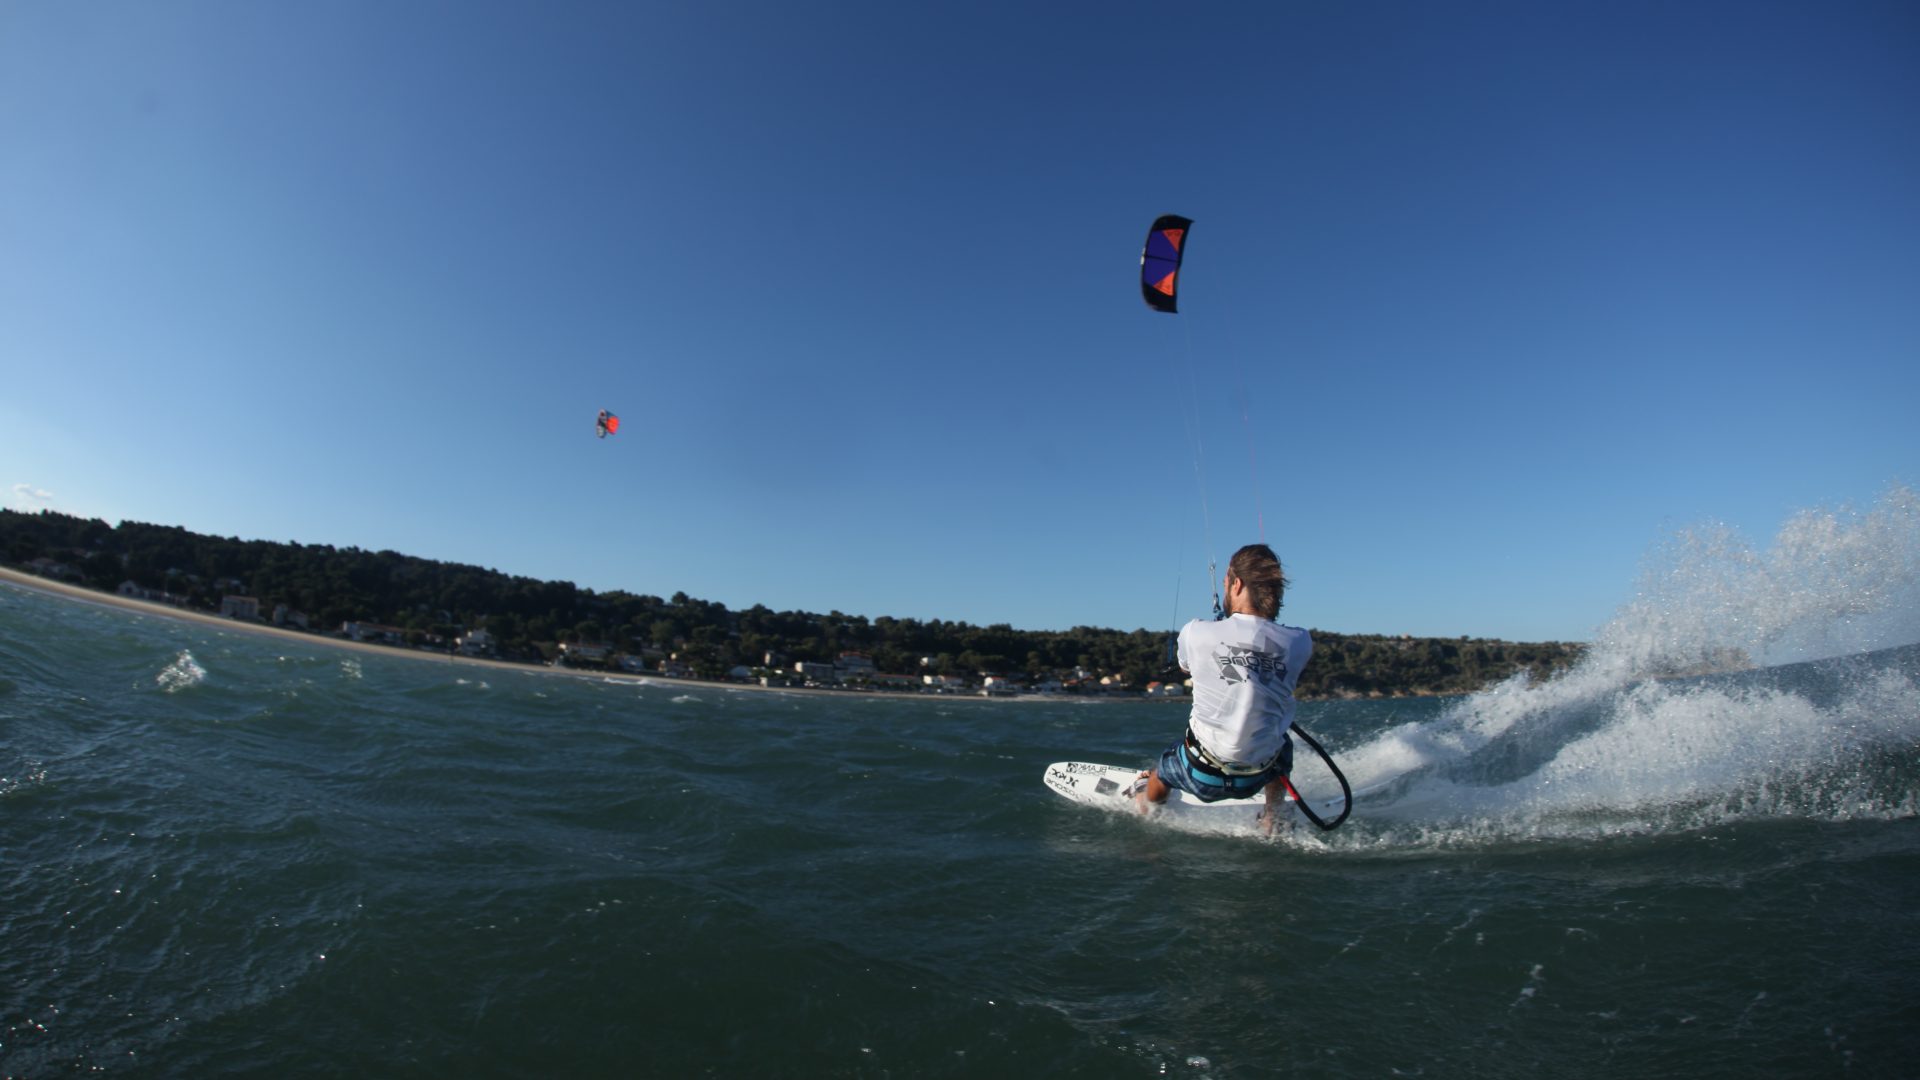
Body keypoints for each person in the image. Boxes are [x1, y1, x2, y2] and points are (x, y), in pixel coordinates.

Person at [1134, 543, 1312, 832]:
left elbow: (1185, 667)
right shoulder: (1300, 641)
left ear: (1237, 584)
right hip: (1256, 776)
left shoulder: (1196, 632)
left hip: (1200, 775)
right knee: (1282, 744)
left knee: (1163, 770)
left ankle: (1146, 803)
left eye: (1226, 581)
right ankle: (1273, 817)